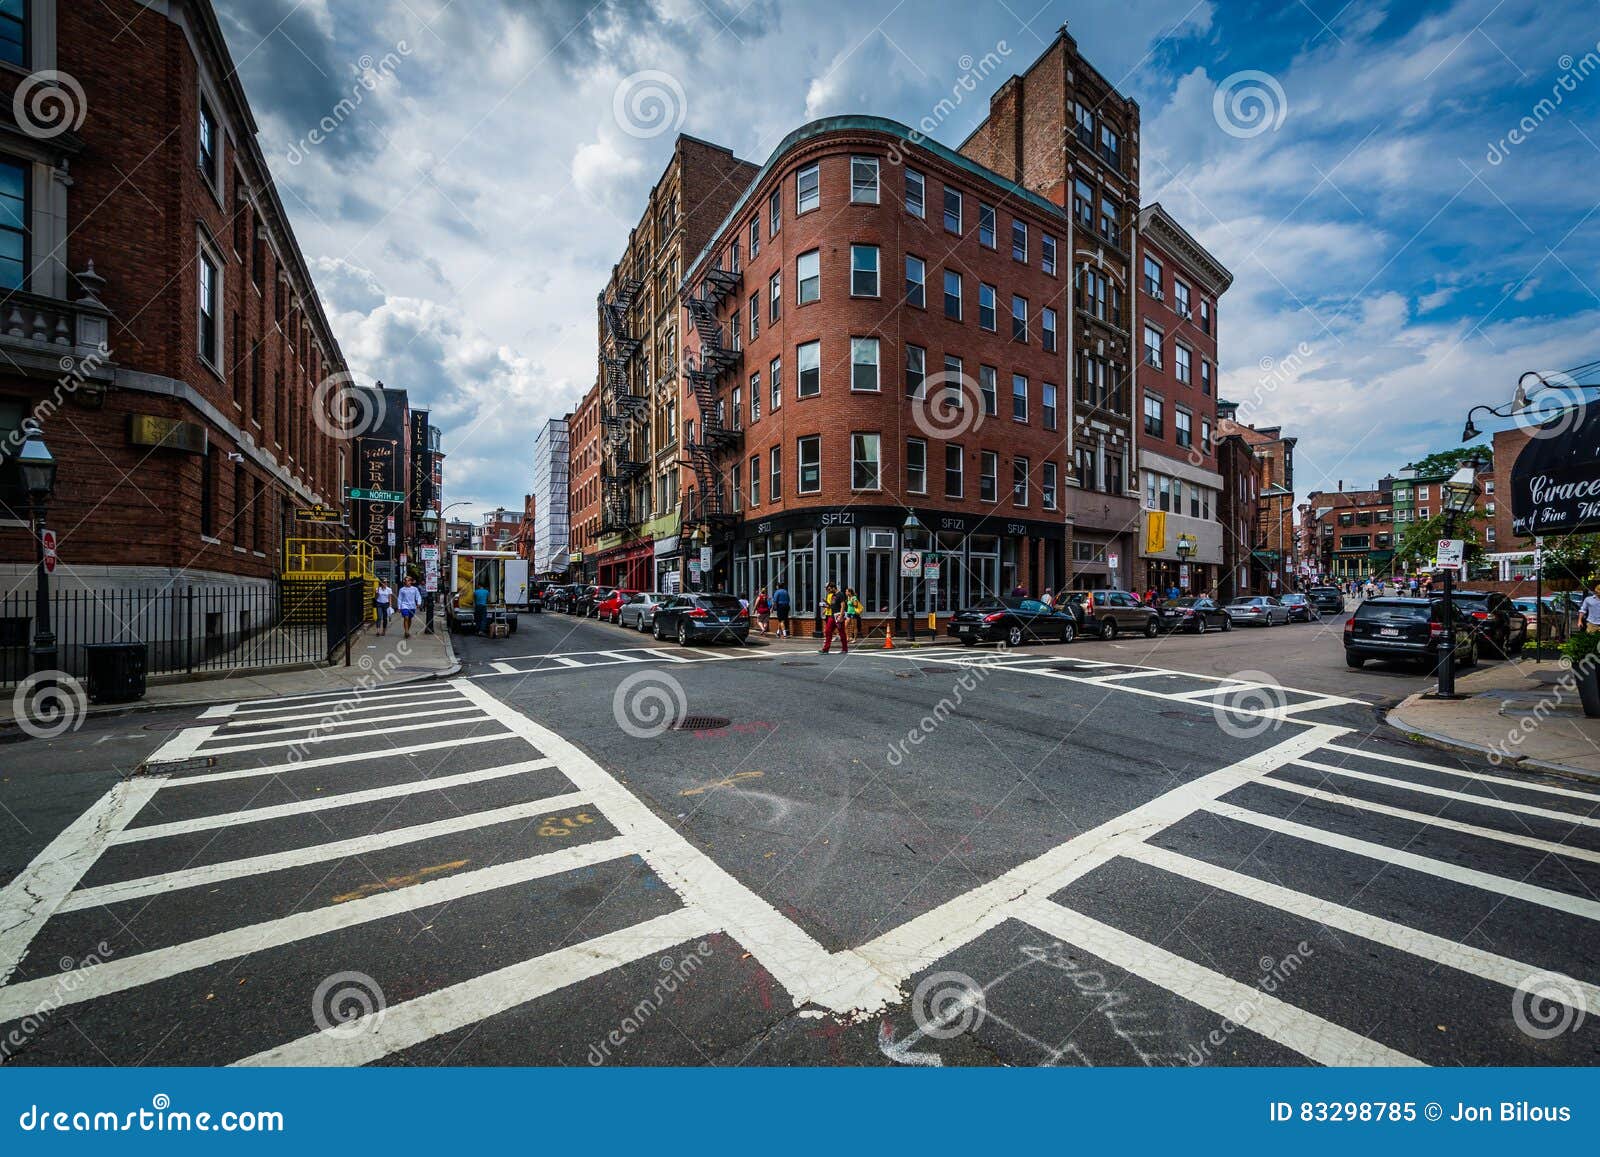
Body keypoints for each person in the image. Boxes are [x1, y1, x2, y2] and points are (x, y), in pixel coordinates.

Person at [820, 582, 848, 654]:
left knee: (841, 632)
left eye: (828, 589)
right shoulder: (833, 595)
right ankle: (825, 649)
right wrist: (826, 605)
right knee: (827, 631)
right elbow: (832, 606)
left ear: (833, 587)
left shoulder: (840, 594)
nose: (827, 591)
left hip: (838, 616)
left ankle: (844, 649)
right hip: (832, 616)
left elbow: (843, 606)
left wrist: (841, 616)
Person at [395, 574, 423, 639]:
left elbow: (418, 596)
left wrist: (418, 603)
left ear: (411, 581)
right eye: (406, 580)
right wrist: (399, 607)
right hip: (404, 605)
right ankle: (406, 631)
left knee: (410, 619)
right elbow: (400, 598)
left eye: (408, 580)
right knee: (406, 618)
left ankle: (407, 630)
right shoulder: (402, 589)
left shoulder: (415, 589)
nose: (407, 582)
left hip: (412, 606)